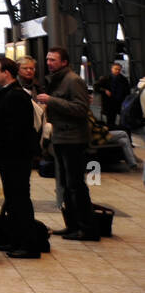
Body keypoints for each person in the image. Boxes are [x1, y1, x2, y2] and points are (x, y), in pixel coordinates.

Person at [0, 58, 40, 258]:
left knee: (20, 199)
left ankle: (27, 244)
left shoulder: (15, 96)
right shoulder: (6, 94)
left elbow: (15, 131)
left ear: (7, 73)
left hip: (16, 157)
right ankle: (16, 240)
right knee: (14, 200)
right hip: (11, 157)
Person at [38, 46, 98, 240]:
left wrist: (52, 101)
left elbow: (81, 109)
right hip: (61, 138)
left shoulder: (73, 80)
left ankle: (86, 227)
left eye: (53, 60)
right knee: (65, 184)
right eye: (48, 59)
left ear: (64, 62)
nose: (49, 62)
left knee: (76, 185)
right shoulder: (57, 80)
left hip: (74, 139)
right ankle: (72, 225)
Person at [94, 63, 131, 128]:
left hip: (120, 102)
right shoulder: (105, 78)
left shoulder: (124, 79)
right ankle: (111, 132)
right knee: (110, 121)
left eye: (119, 69)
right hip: (109, 103)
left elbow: (127, 91)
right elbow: (96, 87)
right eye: (115, 69)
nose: (117, 71)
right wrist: (104, 90)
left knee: (122, 120)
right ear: (112, 69)